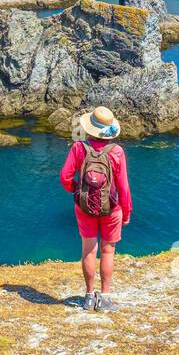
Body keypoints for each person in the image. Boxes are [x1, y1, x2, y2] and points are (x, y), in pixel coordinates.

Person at [60, 105, 132, 312]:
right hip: (112, 208)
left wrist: (76, 189)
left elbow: (65, 177)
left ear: (90, 128)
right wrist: (126, 211)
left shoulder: (78, 148)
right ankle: (105, 298)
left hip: (84, 207)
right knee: (108, 251)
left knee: (88, 250)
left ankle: (89, 296)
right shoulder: (117, 152)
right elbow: (124, 187)